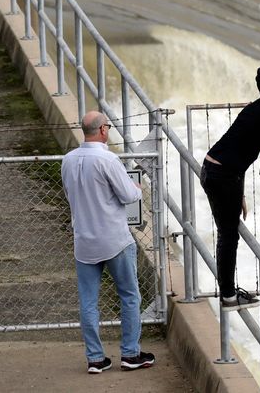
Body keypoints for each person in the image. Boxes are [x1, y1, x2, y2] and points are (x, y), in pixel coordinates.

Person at [62, 111, 155, 374]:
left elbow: (70, 195)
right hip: (114, 239)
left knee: (88, 301)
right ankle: (130, 353)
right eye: (109, 126)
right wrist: (136, 189)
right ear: (103, 129)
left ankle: (95, 358)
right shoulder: (108, 159)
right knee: (129, 295)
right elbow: (127, 195)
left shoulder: (68, 160)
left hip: (84, 241)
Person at [202, 65, 260, 310]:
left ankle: (228, 293)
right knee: (228, 235)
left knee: (226, 232)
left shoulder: (254, 107)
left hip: (213, 169)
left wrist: (238, 194)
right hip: (223, 175)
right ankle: (229, 296)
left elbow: (238, 151)